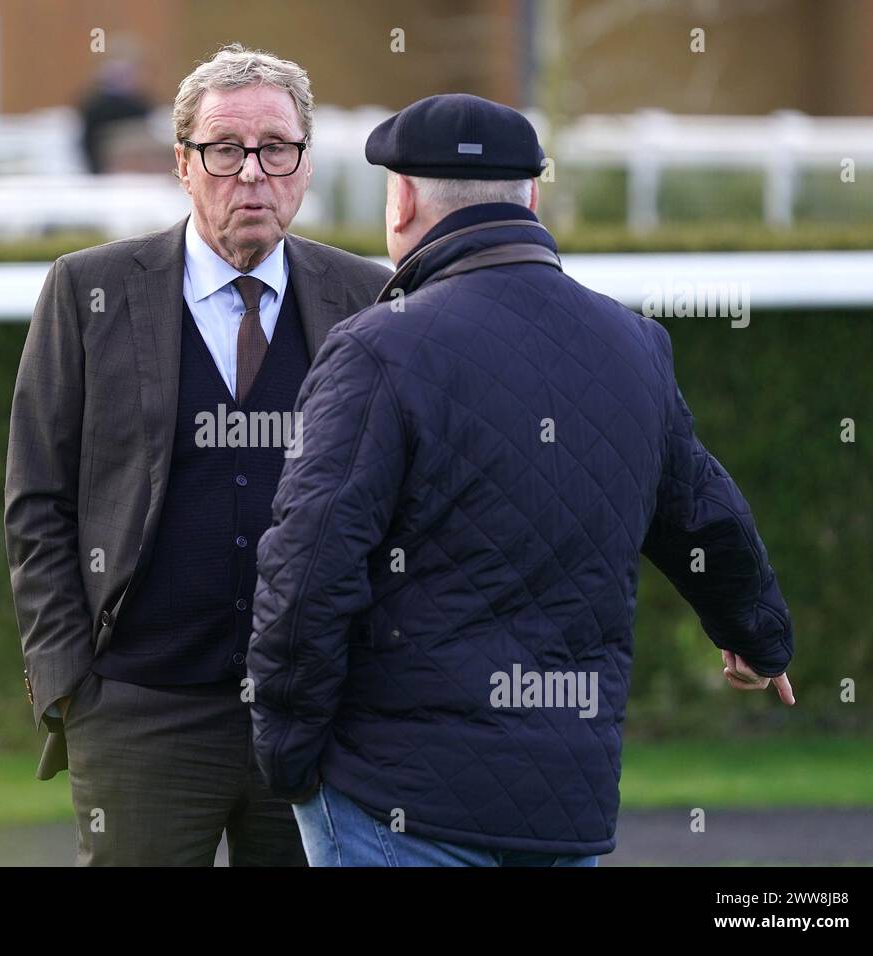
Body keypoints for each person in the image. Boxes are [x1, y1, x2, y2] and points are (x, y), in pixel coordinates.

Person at [247, 93, 795, 867]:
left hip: (392, 803)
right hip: (564, 806)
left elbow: (306, 569)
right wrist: (759, 635)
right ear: (532, 197)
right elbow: (705, 517)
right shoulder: (634, 344)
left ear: (400, 199)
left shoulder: (377, 348)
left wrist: (286, 754)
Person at [4, 43, 391, 866]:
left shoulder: (367, 296)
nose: (251, 172)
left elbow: (407, 498)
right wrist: (70, 683)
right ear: (183, 163)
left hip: (314, 716)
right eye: (224, 149)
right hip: (138, 712)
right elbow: (37, 500)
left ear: (304, 165)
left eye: (275, 148)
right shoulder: (88, 291)